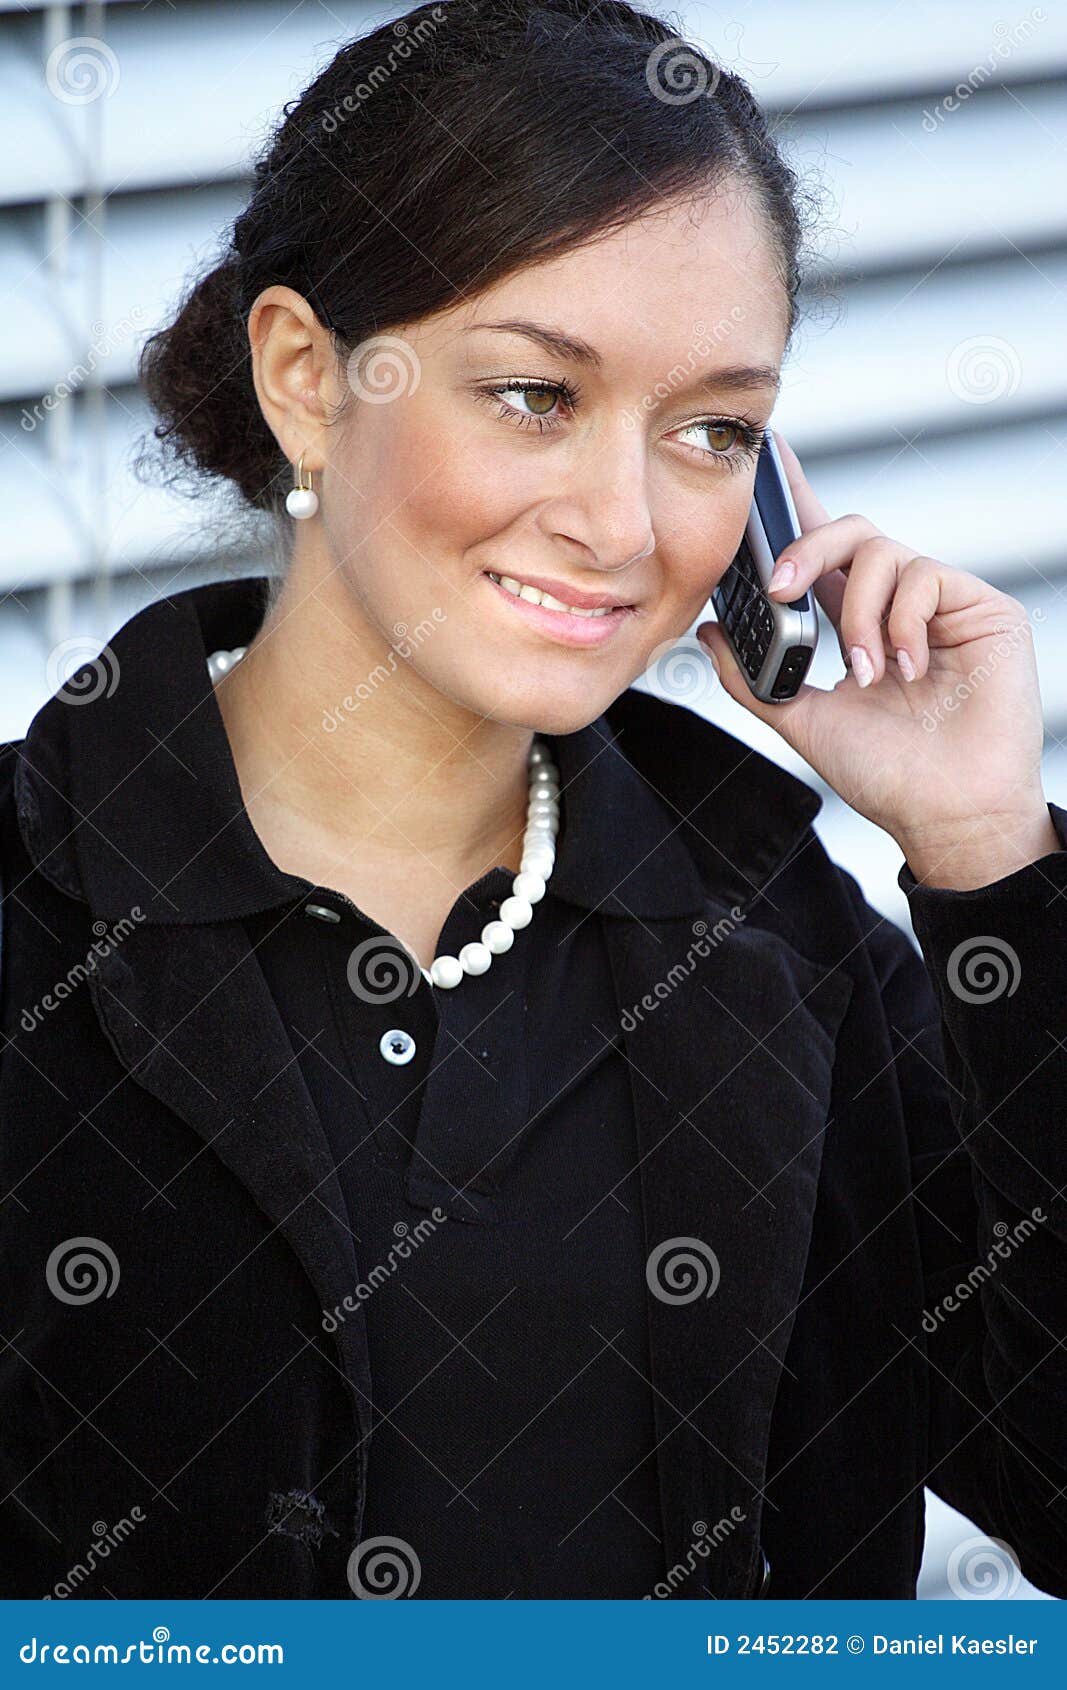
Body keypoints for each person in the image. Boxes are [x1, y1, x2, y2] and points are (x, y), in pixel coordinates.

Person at [1, 0, 1065, 1602]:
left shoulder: (780, 941)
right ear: (305, 375)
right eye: (535, 396)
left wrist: (990, 857)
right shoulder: (33, 907)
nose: (627, 524)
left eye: (713, 430)